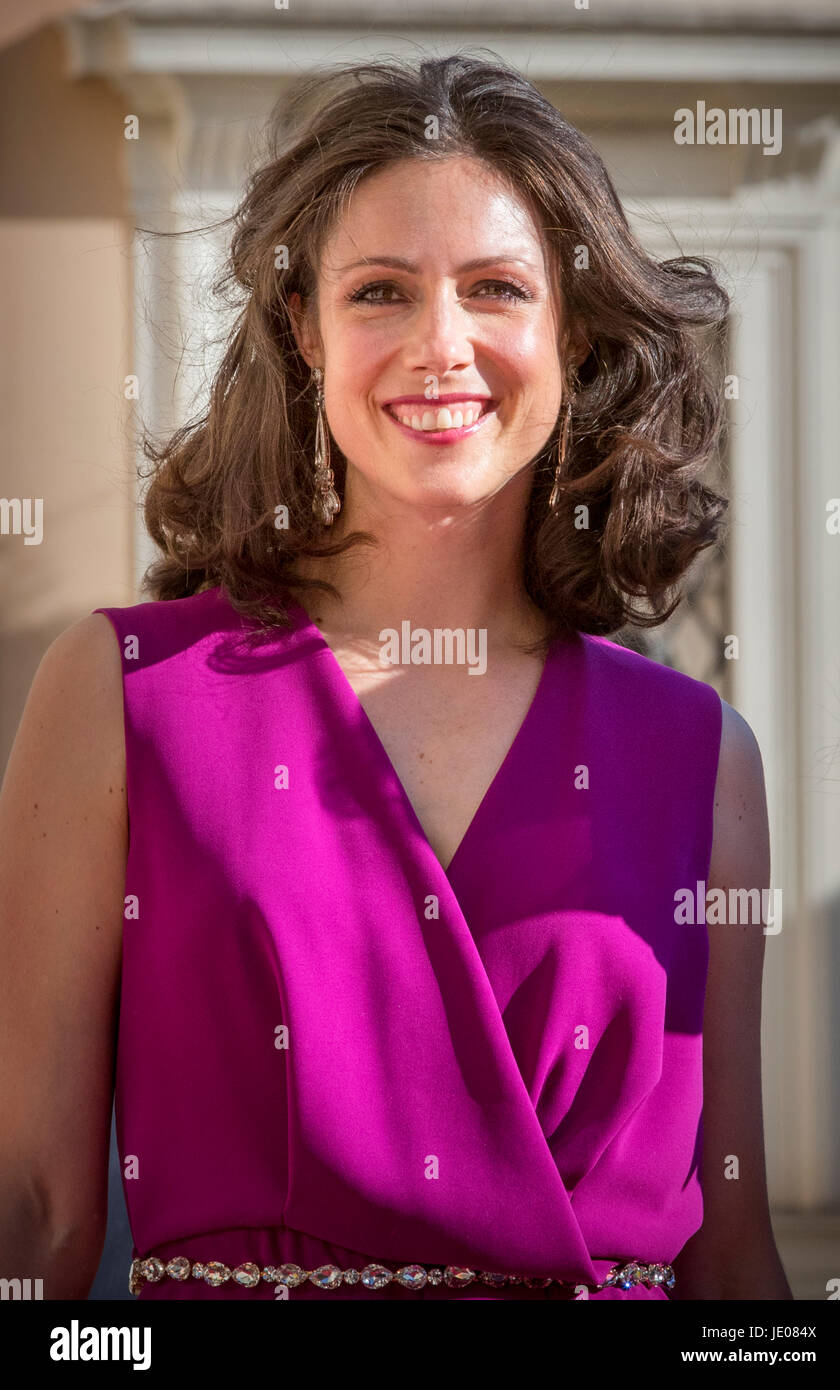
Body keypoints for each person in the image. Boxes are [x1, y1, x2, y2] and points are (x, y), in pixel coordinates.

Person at [0, 53, 791, 1300]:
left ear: (570, 332)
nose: (441, 345)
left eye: (494, 288)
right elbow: (35, 1211)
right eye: (379, 291)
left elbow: (732, 1257)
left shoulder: (701, 758)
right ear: (302, 331)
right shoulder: (122, 692)